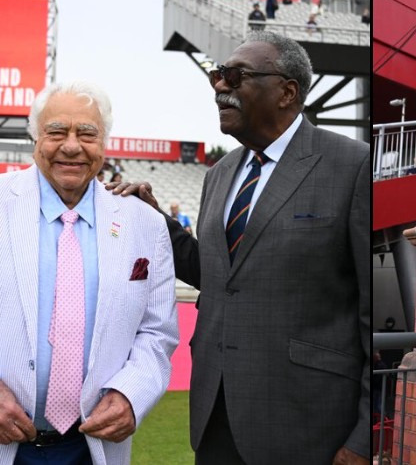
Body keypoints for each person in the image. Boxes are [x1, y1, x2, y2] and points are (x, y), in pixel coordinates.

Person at [110, 31, 369, 464]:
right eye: (217, 75)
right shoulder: (221, 173)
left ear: (287, 92)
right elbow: (217, 275)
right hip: (217, 416)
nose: (219, 86)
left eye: (235, 75)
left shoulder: (351, 165)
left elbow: (369, 313)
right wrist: (157, 222)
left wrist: (363, 436)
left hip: (309, 425)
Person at [0, 81, 178, 463]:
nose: (71, 146)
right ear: (35, 138)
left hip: (95, 447)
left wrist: (132, 393)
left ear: (104, 143)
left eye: (86, 134)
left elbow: (157, 331)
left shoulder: (145, 223)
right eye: (56, 132)